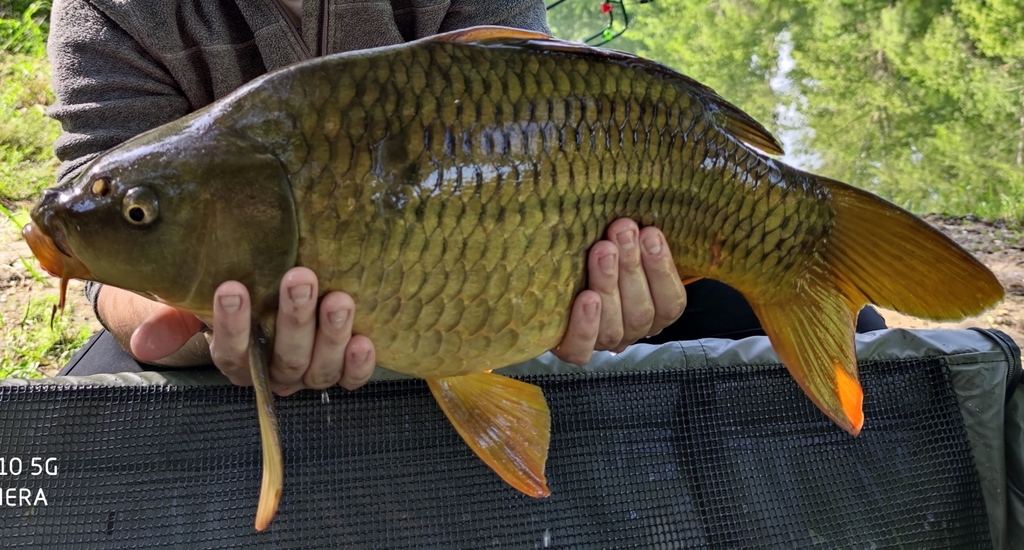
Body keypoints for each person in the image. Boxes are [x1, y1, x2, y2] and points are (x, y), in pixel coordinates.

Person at [48, 0, 886, 391]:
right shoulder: (108, 12)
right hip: (256, 325)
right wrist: (187, 325)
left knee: (854, 326)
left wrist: (598, 281)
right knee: (108, 405)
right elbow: (107, 257)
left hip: (538, 246)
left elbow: (552, 91)